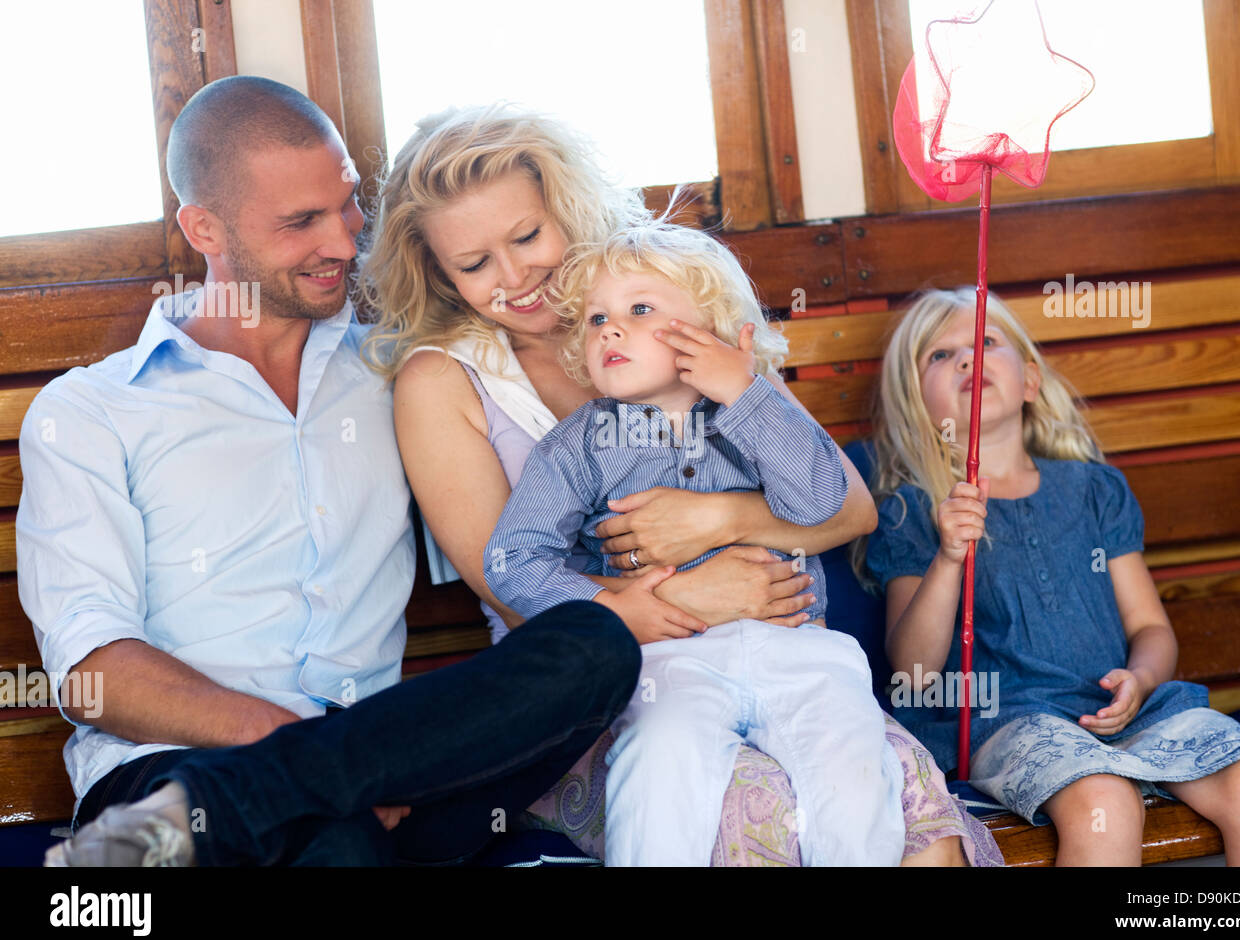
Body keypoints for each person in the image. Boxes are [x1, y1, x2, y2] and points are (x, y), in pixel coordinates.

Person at [24, 75, 640, 867]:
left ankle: (109, 874)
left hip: (406, 773)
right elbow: (94, 677)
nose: (347, 242)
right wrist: (319, 756)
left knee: (592, 643)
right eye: (301, 222)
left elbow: (528, 552)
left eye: (348, 203)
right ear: (205, 228)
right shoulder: (92, 412)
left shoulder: (402, 376)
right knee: (336, 842)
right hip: (180, 780)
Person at [360, 105, 1001, 866]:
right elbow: (509, 581)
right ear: (438, 272)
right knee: (746, 819)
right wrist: (684, 599)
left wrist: (716, 520)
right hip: (600, 682)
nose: (515, 276)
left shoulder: (672, 312)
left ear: (565, 210)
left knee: (916, 829)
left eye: (528, 237)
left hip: (780, 653)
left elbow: (848, 511)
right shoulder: (444, 381)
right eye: (474, 264)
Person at [484, 220, 906, 865]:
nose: (610, 330)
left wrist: (743, 389)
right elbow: (514, 558)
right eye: (597, 318)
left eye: (640, 310)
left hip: (799, 645)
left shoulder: (762, 410)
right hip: (664, 659)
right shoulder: (578, 444)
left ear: (716, 333)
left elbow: (823, 502)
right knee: (659, 765)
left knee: (852, 770)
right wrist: (617, 609)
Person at [860, 286, 1240, 866]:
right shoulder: (914, 509)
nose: (967, 358)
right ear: (914, 400)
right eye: (940, 356)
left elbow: (1150, 627)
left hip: (1132, 713)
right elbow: (916, 674)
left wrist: (1141, 679)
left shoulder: (1093, 489)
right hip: (1008, 723)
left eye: (985, 342)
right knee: (1104, 803)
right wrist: (948, 558)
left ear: (1031, 382)